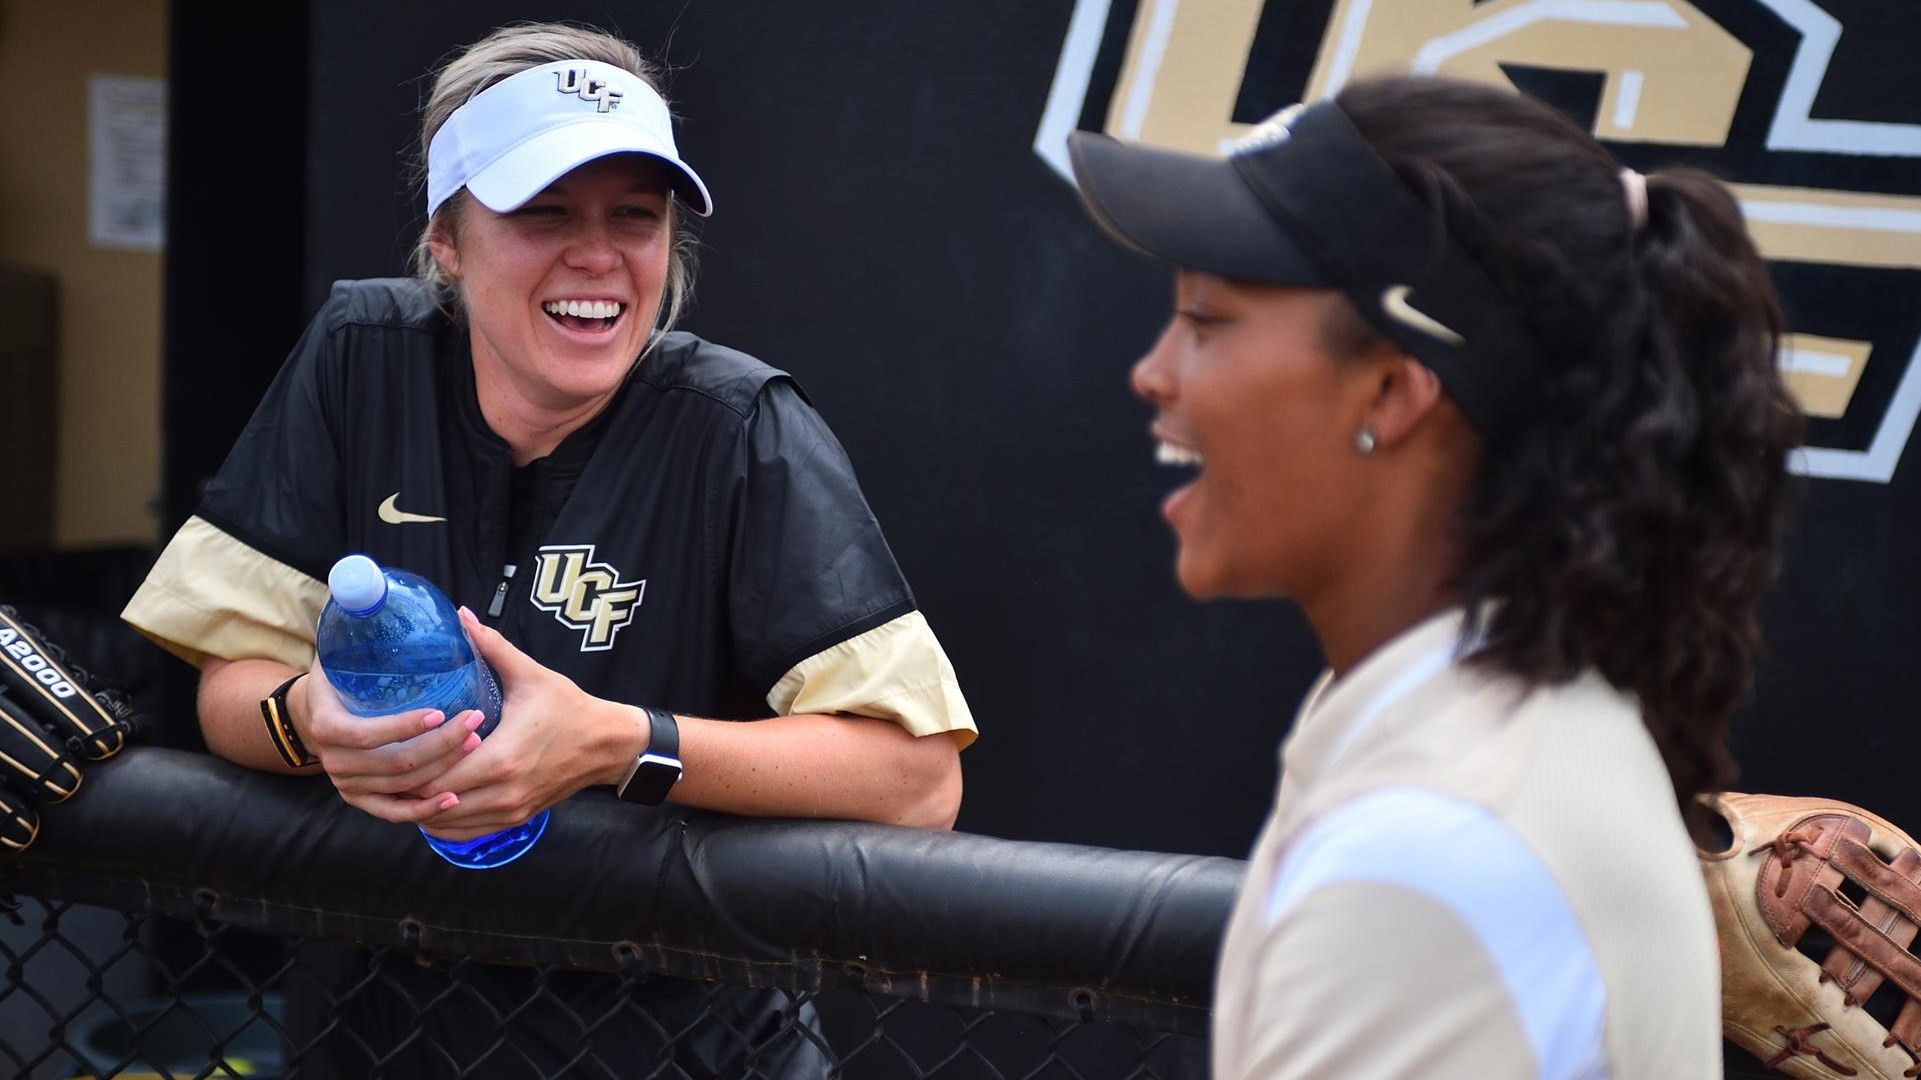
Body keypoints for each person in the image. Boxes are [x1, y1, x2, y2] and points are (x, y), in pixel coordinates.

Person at [123, 20, 975, 1075]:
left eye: (636, 215)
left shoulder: (739, 424)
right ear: (446, 235)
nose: (599, 256)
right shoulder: (361, 359)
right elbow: (227, 679)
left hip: (678, 1044)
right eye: (542, 211)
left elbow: (916, 781)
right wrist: (310, 720)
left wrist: (622, 742)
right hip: (376, 1035)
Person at [1069, 75, 1801, 1078]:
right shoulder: (1478, 734)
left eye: (1207, 319)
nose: (1152, 372)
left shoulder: (1432, 849)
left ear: (1394, 387)